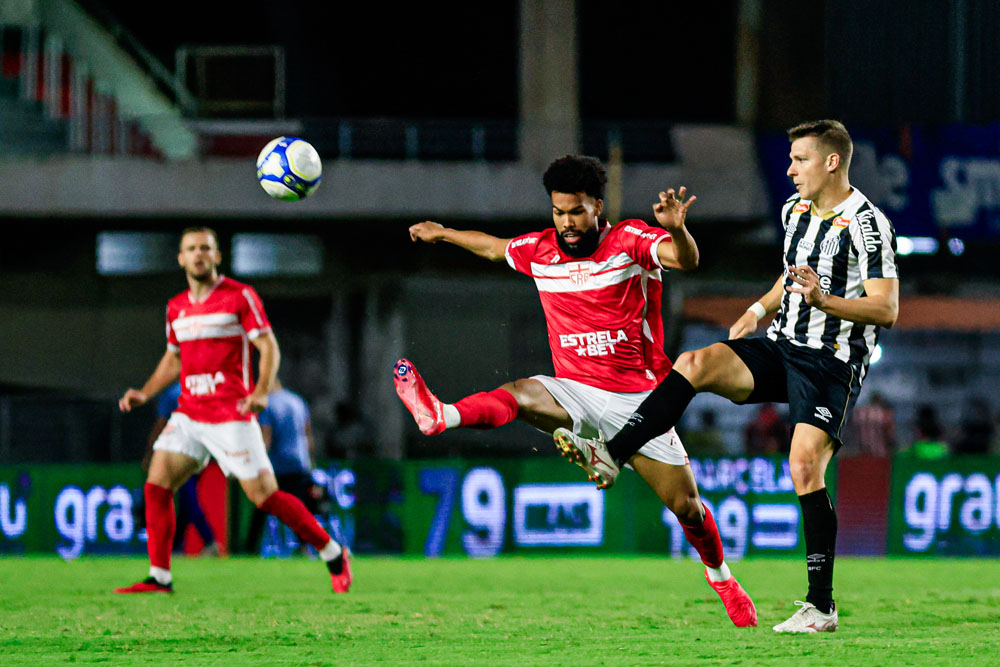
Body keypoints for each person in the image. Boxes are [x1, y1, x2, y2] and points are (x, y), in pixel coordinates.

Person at [555, 121, 899, 634]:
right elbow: (792, 274)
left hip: (832, 362)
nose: (789, 169)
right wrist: (760, 308)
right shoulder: (795, 211)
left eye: (799, 159)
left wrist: (825, 301)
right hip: (784, 347)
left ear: (831, 162)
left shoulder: (868, 225)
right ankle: (613, 452)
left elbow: (887, 308)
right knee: (694, 363)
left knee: (804, 467)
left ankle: (821, 607)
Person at [394, 155, 757, 628]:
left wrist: (679, 230)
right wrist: (443, 234)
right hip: (575, 392)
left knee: (687, 507)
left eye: (577, 211)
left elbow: (684, 259)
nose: (567, 222)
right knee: (522, 393)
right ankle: (441, 415)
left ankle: (721, 576)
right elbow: (491, 248)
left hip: (642, 403)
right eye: (559, 212)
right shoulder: (538, 249)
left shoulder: (629, 240)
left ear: (598, 207)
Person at [115, 227, 351, 594]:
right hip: (190, 413)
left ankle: (332, 551)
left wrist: (260, 392)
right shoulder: (176, 307)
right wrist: (145, 393)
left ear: (217, 256)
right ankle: (160, 577)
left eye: (206, 248)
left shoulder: (240, 297)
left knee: (266, 497)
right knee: (156, 484)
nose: (198, 254)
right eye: (191, 249)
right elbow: (174, 359)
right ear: (180, 258)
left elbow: (269, 347)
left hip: (231, 413)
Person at [244, 379, 320, 553]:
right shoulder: (298, 401)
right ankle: (304, 545)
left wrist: (255, 463)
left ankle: (250, 547)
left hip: (278, 464)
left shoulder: (267, 404)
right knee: (299, 506)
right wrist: (311, 463)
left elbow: (266, 438)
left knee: (263, 503)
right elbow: (308, 434)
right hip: (300, 463)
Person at [146, 381, 219, 556]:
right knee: (187, 499)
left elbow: (161, 425)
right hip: (201, 451)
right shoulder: (204, 390)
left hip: (178, 451)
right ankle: (178, 546)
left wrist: (150, 453)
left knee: (187, 496)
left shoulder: (171, 394)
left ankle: (209, 541)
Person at [849, 391, 896, 457]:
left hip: (861, 452)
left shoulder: (860, 413)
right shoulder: (884, 413)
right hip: (880, 453)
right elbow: (890, 434)